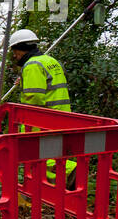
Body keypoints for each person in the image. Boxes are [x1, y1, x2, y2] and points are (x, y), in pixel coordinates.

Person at [8, 29, 77, 188]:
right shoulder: (49, 60)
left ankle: (72, 170)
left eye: (15, 51)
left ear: (20, 48)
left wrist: (22, 118)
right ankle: (49, 188)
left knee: (28, 151)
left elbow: (34, 97)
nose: (14, 56)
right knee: (51, 153)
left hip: (43, 118)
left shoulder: (32, 65)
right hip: (62, 115)